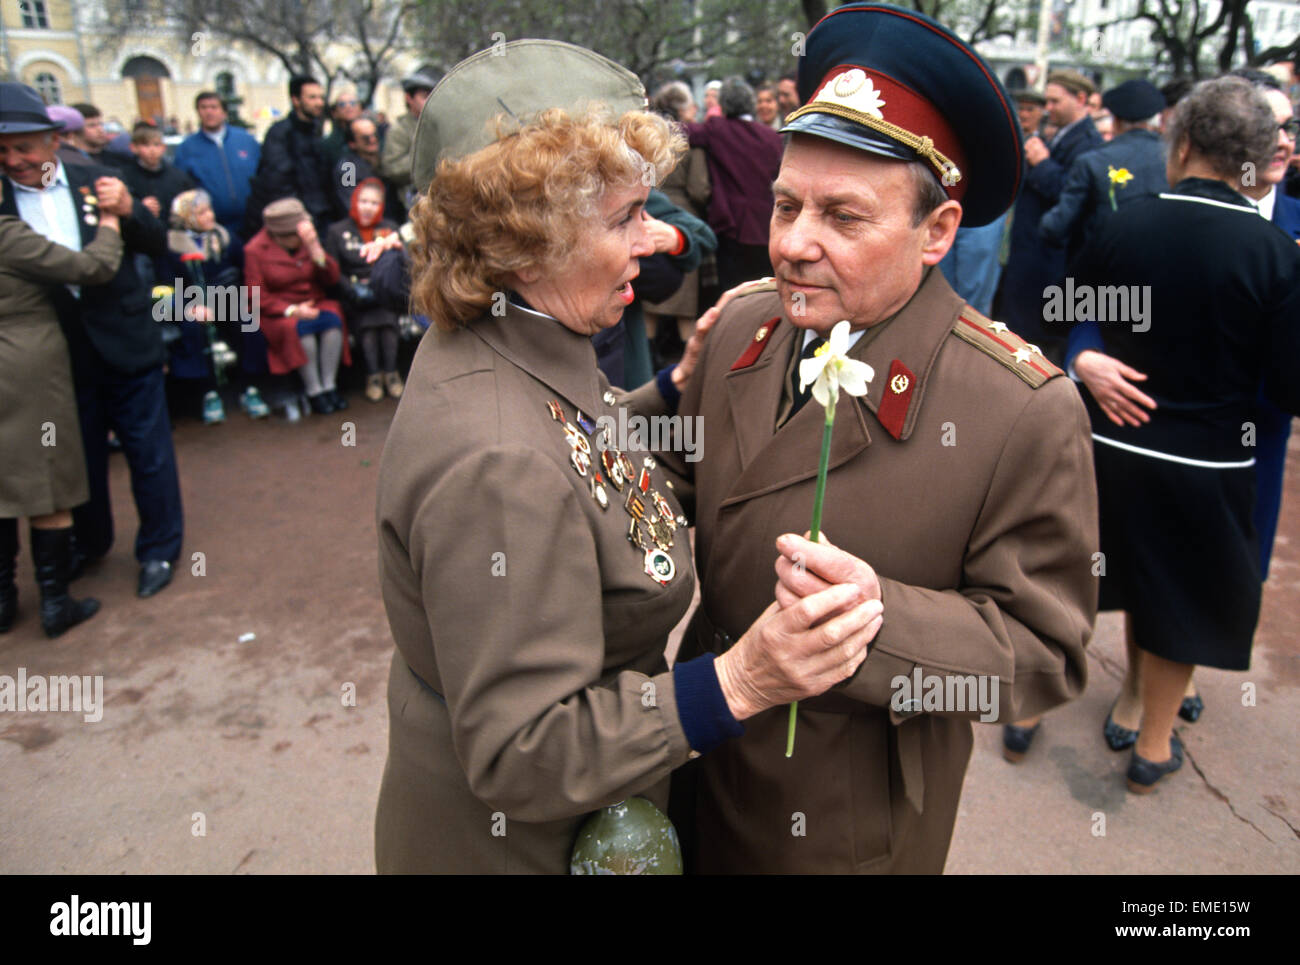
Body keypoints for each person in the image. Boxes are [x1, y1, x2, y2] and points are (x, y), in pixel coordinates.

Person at [375, 38, 881, 874]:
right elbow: (521, 752)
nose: (658, 242)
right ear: (524, 242)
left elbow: (569, 443)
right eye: (624, 219)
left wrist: (669, 391)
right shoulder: (497, 463)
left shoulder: (512, 335)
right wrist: (741, 680)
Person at [659, 3, 1098, 873]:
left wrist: (875, 618)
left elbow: (1041, 660)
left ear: (937, 232)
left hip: (845, 820)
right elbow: (667, 474)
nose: (793, 245)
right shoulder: (745, 323)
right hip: (695, 761)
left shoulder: (1019, 407)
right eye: (786, 206)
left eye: (844, 218)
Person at [1062, 76, 1300, 793]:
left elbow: (1071, 304)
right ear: (1255, 156)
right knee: (1188, 595)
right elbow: (1288, 386)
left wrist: (1088, 354)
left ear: (1185, 143)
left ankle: (1141, 711)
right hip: (1217, 456)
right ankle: (1155, 744)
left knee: (1140, 579)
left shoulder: (1123, 221)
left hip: (1120, 446)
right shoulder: (1277, 255)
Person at [0, 83, 184, 600]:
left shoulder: (98, 179)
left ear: (54, 140)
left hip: (124, 337)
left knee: (148, 452)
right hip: (52, 357)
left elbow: (155, 242)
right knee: (71, 453)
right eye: (3, 150)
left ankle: (159, 550)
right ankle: (89, 542)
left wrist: (130, 211)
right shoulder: (2, 199)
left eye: (24, 148)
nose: (13, 160)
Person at [0, 187, 122, 637]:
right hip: (25, 366)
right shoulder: (8, 236)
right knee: (49, 482)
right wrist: (109, 224)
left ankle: (3, 601)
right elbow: (93, 268)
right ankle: (55, 603)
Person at [998, 70, 1101, 362]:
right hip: (1029, 256)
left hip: (1050, 263)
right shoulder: (1056, 136)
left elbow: (1074, 198)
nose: (1049, 108)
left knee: (1039, 347)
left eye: (1055, 101)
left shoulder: (1089, 144)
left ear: (1080, 99)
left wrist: (1042, 163)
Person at [1039, 79, 1167, 261]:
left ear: (1115, 121)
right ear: (1157, 120)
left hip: (1101, 273)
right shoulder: (1175, 159)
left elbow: (1056, 226)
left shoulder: (1093, 161)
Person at [243, 198, 350, 414]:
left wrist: (316, 250)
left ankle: (329, 386)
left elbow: (331, 278)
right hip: (279, 311)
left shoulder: (308, 242)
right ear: (282, 235)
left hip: (315, 301)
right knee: (300, 330)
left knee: (333, 319)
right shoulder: (254, 250)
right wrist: (292, 310)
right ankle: (314, 391)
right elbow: (255, 295)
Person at [683, 76, 783, 292]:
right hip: (766, 226)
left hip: (731, 228)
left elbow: (684, 133)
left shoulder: (717, 129)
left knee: (731, 293)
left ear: (724, 104)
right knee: (763, 291)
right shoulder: (773, 138)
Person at [163, 188, 253, 423]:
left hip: (225, 298)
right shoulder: (171, 245)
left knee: (246, 322)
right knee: (194, 330)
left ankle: (249, 388)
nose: (209, 216)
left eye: (209, 210)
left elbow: (244, 272)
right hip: (189, 304)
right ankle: (208, 393)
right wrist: (188, 307)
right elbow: (163, 287)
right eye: (201, 213)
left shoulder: (225, 238)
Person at [324, 179, 403, 401]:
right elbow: (333, 271)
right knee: (368, 323)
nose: (368, 207)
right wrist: (353, 291)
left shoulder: (390, 229)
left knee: (387, 320)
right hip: (354, 296)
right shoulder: (337, 231)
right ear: (354, 201)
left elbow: (400, 263)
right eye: (363, 201)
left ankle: (391, 373)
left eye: (374, 203)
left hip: (386, 292)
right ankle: (373, 376)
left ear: (382, 206)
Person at [243, 76, 331, 236]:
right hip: (297, 221)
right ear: (296, 100)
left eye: (320, 97)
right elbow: (278, 180)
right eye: (312, 97)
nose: (319, 102)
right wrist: (301, 215)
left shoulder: (316, 132)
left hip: (320, 216)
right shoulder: (280, 133)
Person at [173, 92, 261, 238]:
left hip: (251, 223)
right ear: (198, 112)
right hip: (211, 228)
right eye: (203, 107)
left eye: (214, 107)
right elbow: (182, 188)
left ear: (224, 112)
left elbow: (262, 176)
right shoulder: (187, 148)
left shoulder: (246, 140)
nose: (209, 112)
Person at [121, 121, 196, 229]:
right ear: (134, 148)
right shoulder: (125, 176)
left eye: (156, 145)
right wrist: (138, 208)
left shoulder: (178, 177)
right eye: (146, 145)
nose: (152, 150)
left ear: (163, 148)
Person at [331, 116, 404, 223]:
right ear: (352, 144)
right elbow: (351, 204)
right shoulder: (348, 168)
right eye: (366, 138)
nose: (373, 140)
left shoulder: (383, 159)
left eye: (375, 135)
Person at [378, 72, 437, 198]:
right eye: (424, 96)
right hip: (415, 196)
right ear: (408, 98)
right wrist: (427, 157)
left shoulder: (437, 123)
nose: (430, 100)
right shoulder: (399, 130)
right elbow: (392, 168)